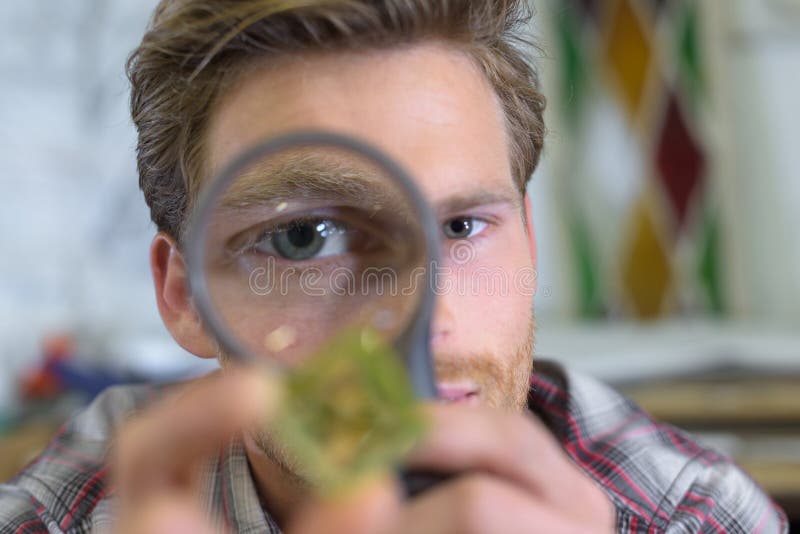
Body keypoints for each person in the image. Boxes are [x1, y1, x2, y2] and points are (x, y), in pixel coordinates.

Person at [0, 1, 787, 532]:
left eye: (462, 225)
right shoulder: (79, 509)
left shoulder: (691, 514)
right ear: (185, 296)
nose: (425, 315)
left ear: (532, 246)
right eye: (306, 237)